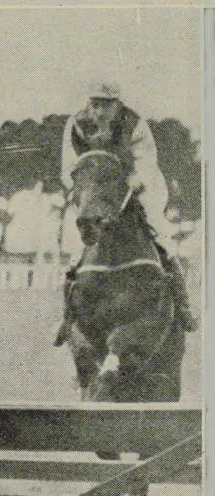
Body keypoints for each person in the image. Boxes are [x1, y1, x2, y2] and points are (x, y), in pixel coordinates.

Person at [55, 80, 196, 345]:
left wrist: (136, 179)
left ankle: (183, 305)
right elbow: (68, 166)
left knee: (160, 232)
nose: (100, 111)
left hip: (136, 186)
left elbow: (147, 161)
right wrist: (80, 189)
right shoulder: (75, 124)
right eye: (95, 104)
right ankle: (67, 316)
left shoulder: (134, 123)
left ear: (117, 104)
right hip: (94, 188)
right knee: (78, 244)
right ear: (89, 103)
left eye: (106, 105)